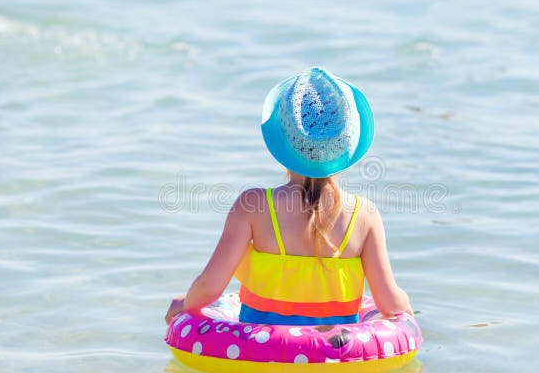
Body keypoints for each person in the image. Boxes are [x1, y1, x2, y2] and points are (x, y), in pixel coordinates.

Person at [165, 67, 412, 326]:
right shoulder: (365, 216)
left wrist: (185, 303)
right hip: (336, 351)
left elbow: (209, 286)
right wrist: (406, 305)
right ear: (347, 145)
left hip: (258, 347)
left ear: (283, 141)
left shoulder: (252, 207)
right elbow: (390, 304)